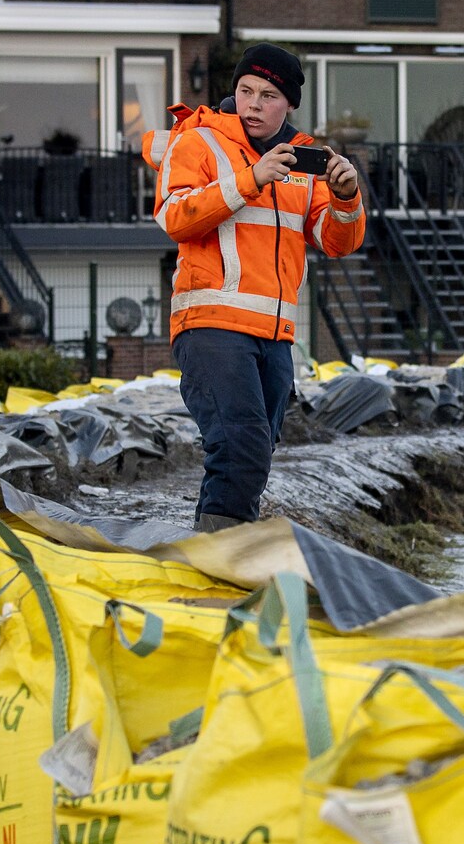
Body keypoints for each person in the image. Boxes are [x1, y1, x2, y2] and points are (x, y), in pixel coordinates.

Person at [153, 43, 364, 530]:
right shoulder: (200, 142)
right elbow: (174, 217)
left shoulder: (304, 161)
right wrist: (251, 178)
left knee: (253, 451)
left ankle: (215, 548)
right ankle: (225, 554)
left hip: (274, 334)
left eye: (267, 95)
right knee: (240, 444)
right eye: (246, 90)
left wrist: (347, 196)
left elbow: (336, 242)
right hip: (211, 323)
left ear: (288, 104)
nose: (252, 103)